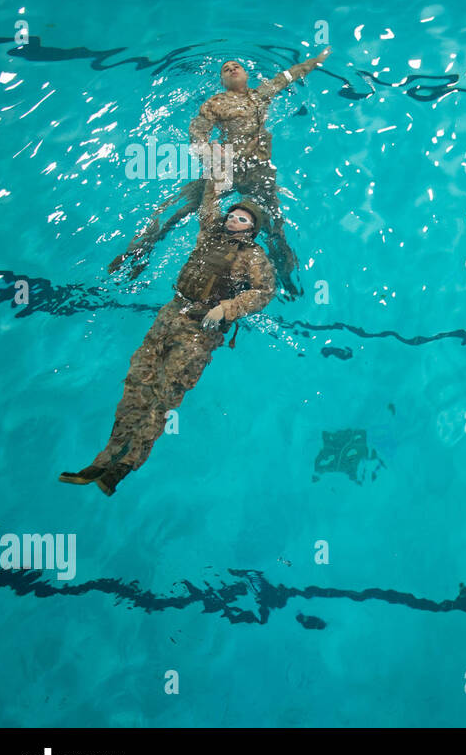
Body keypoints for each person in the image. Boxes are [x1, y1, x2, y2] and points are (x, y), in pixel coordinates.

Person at [60, 171, 276, 495]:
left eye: (242, 218)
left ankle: (126, 464)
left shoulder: (254, 258)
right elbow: (207, 205)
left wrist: (227, 309)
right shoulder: (209, 234)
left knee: (164, 395)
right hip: (172, 314)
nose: (233, 219)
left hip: (200, 331)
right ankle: (104, 457)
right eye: (232, 214)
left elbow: (264, 292)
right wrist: (216, 176)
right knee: (137, 382)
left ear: (252, 229)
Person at [108, 48, 330, 295]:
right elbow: (197, 134)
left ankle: (286, 278)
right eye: (226, 69)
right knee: (174, 209)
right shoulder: (216, 103)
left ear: (246, 74)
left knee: (274, 224)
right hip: (226, 167)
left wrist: (317, 60)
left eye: (236, 66)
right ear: (223, 81)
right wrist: (210, 157)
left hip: (257, 170)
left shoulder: (262, 95)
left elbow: (289, 75)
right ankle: (135, 255)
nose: (232, 68)